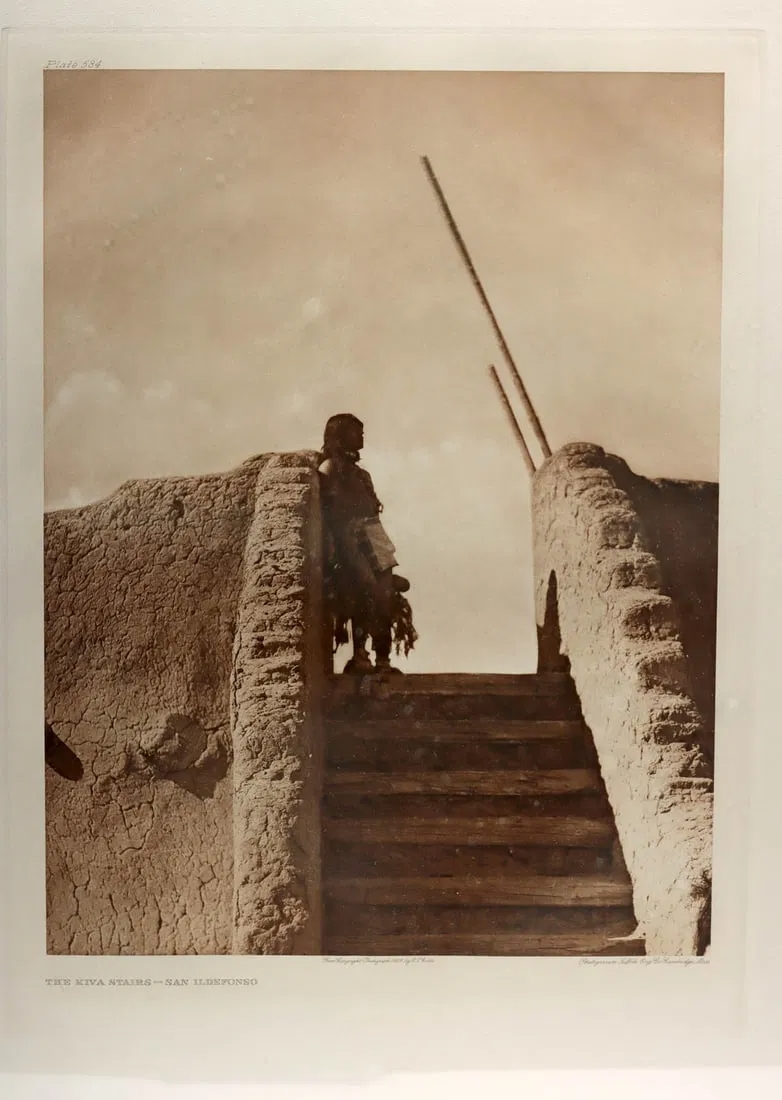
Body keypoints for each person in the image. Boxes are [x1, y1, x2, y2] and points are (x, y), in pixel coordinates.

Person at [318, 414, 416, 675]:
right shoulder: (330, 468)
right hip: (348, 538)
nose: (361, 437)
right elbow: (330, 513)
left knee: (385, 596)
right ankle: (360, 656)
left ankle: (383, 660)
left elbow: (373, 512)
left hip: (374, 536)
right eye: (355, 432)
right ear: (339, 435)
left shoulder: (363, 475)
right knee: (364, 591)